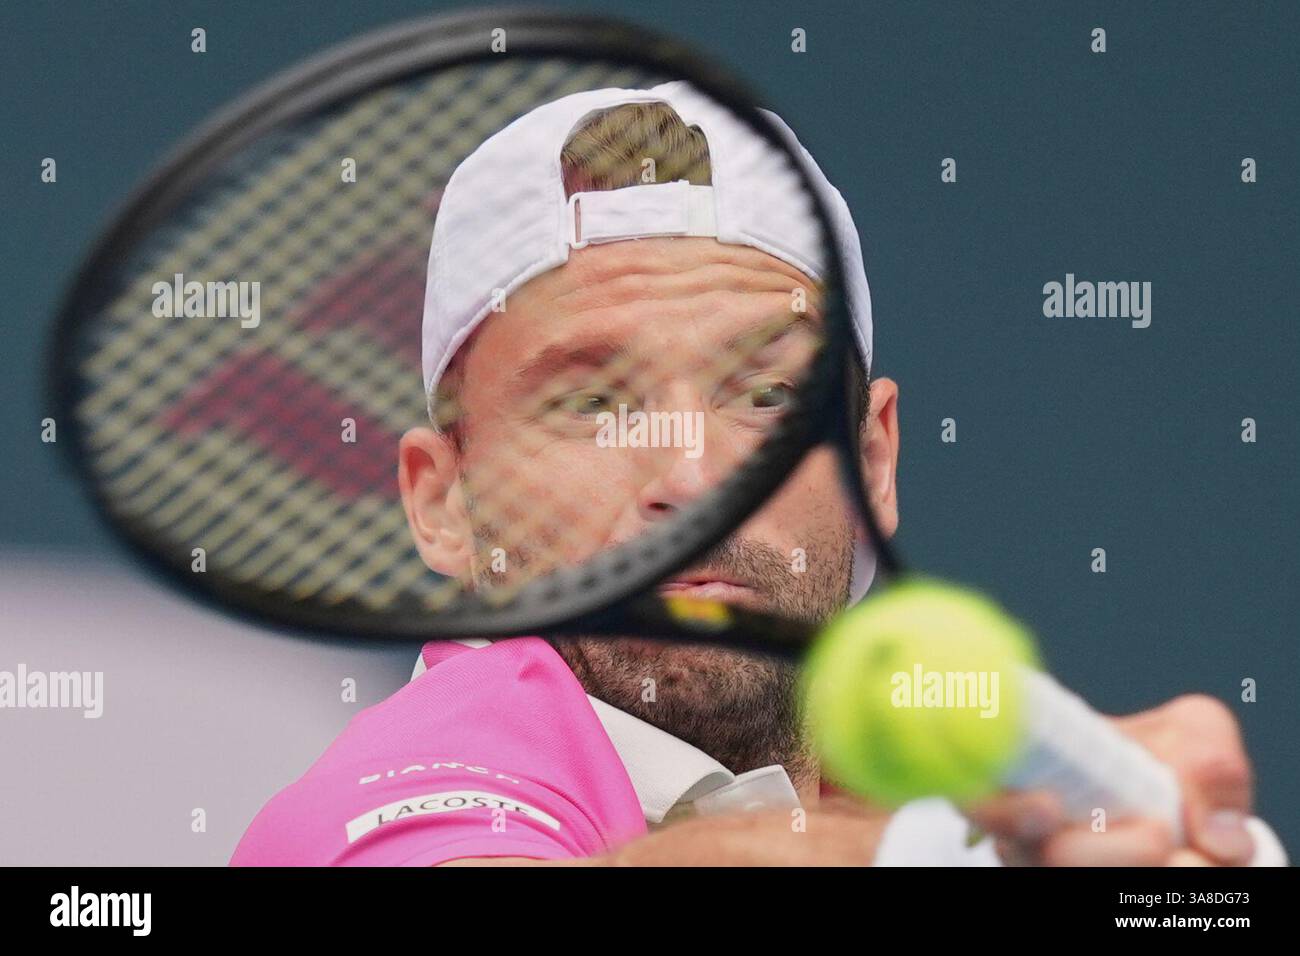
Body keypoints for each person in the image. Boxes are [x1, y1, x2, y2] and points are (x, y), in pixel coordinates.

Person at [231, 83, 1284, 867]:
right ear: (445, 502)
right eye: (592, 405)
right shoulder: (391, 804)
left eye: (766, 397)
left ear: (873, 459)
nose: (694, 476)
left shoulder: (936, 781)